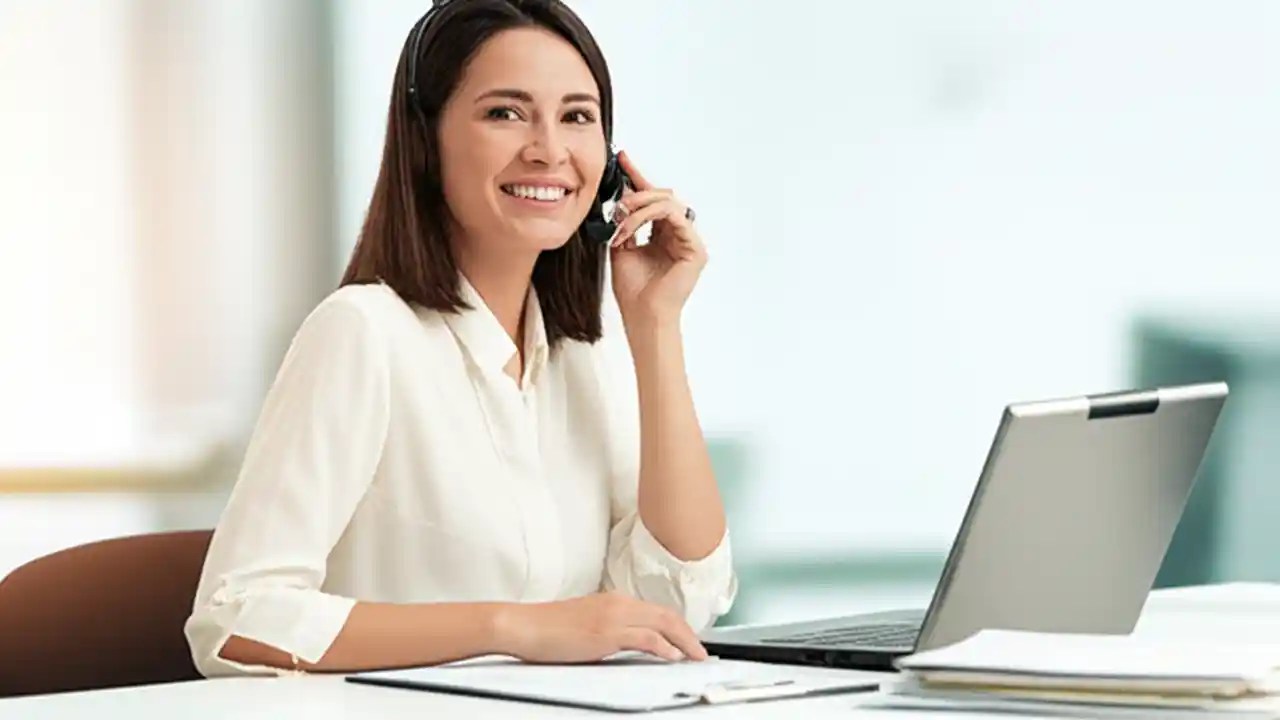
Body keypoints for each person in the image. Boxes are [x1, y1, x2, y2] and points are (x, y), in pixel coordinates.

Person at [184, 0, 737, 677]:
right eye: (504, 113)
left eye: (577, 116)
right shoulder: (363, 332)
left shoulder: (584, 358)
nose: (549, 149)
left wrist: (655, 325)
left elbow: (681, 598)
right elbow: (238, 619)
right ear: (427, 138)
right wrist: (513, 627)